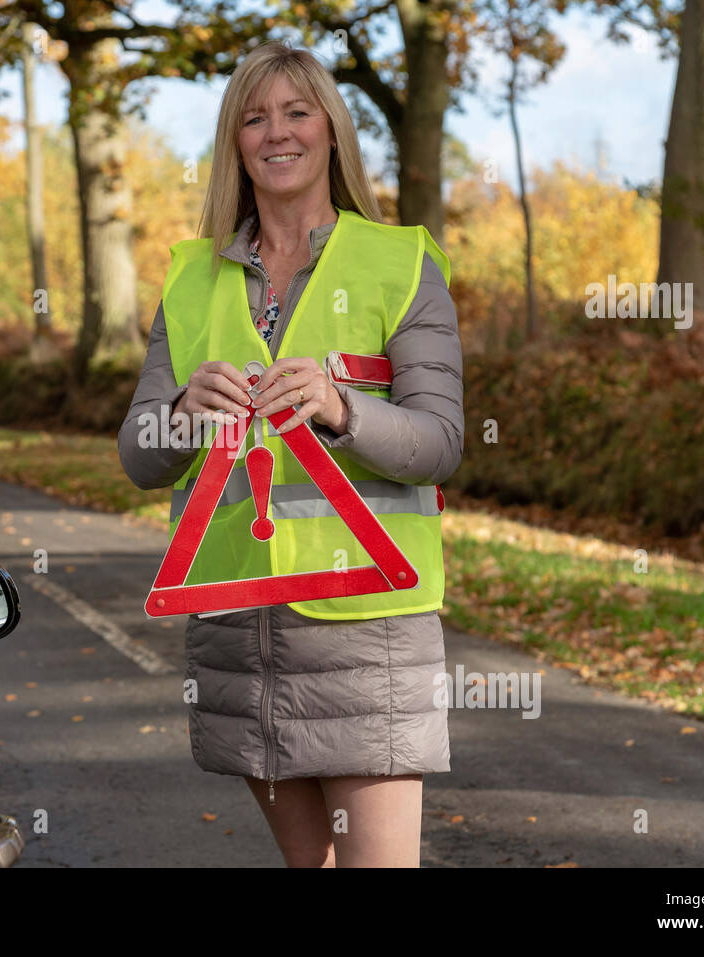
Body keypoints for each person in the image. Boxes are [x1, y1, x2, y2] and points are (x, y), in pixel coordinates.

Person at [118, 39, 464, 868]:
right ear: (234, 142)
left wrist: (343, 408)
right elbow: (140, 454)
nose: (278, 131)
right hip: (238, 624)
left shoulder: (398, 263)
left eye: (297, 111)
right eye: (255, 116)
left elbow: (439, 443)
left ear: (332, 131)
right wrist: (181, 413)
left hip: (367, 625)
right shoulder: (190, 279)